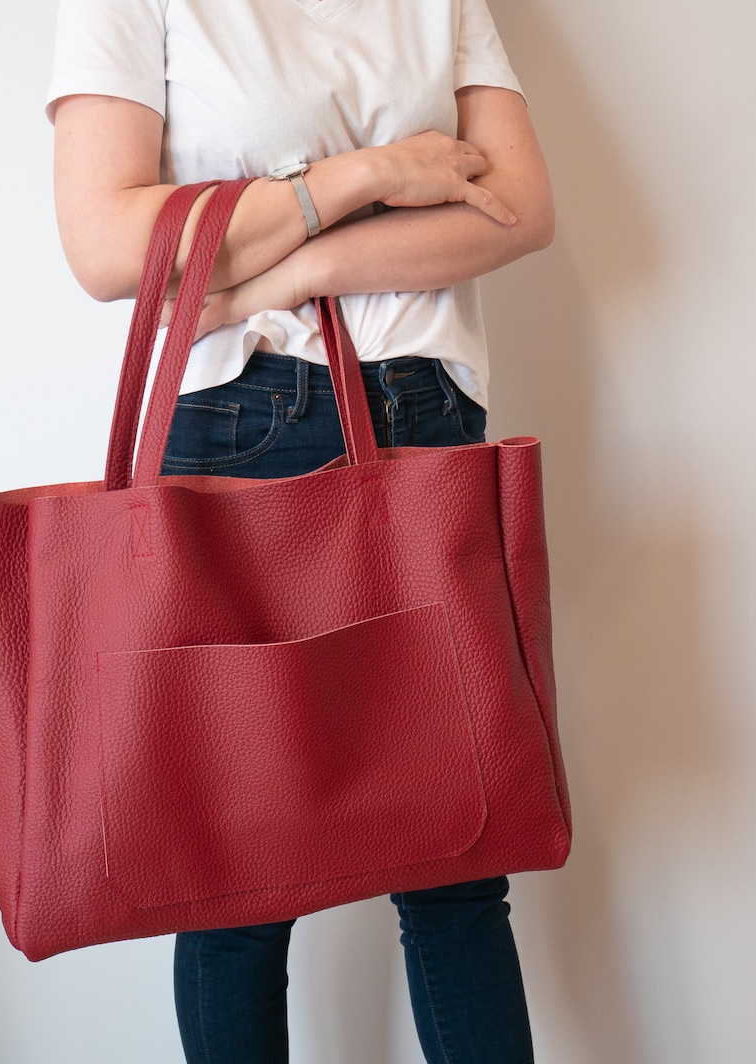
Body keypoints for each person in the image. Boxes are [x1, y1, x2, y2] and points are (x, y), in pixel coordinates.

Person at [48, 0, 554, 1060]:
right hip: (237, 425)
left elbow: (518, 209)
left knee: (461, 851)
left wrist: (289, 271)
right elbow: (107, 246)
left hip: (425, 416)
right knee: (234, 875)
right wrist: (367, 179)